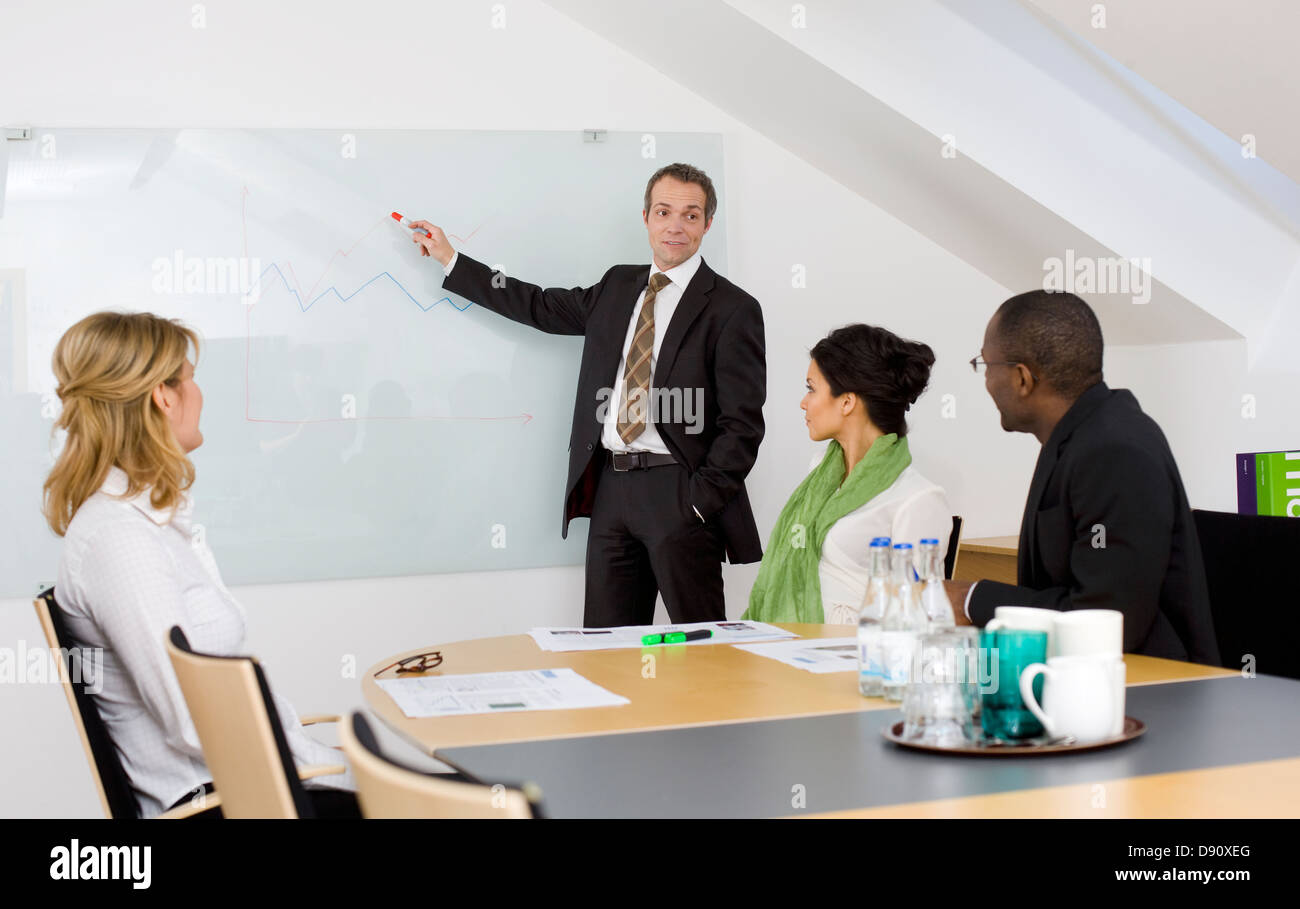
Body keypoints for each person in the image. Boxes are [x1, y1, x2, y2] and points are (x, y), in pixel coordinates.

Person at [407, 163, 766, 627]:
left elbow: (742, 424)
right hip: (612, 491)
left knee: (700, 647)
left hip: (679, 492)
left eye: (690, 215)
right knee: (605, 646)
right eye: (664, 212)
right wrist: (451, 259)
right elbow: (537, 304)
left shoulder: (732, 308)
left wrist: (697, 502)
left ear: (707, 224)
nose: (675, 226)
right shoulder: (619, 284)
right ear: (646, 218)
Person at [44, 312, 359, 818]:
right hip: (227, 803)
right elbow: (194, 719)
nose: (200, 394)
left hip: (249, 788)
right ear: (163, 397)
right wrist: (327, 764)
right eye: (191, 378)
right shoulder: (120, 539)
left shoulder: (140, 520)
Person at [946, 290, 1220, 663]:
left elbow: (1109, 620)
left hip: (1151, 690)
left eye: (986, 365)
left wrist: (972, 600)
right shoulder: (1080, 435)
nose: (986, 381)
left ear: (1022, 378)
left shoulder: (1114, 450)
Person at [744, 325, 951, 625]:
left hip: (855, 658)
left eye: (812, 388)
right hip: (789, 645)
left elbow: (921, 619)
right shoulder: (821, 474)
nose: (804, 402)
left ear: (847, 402)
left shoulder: (918, 499)